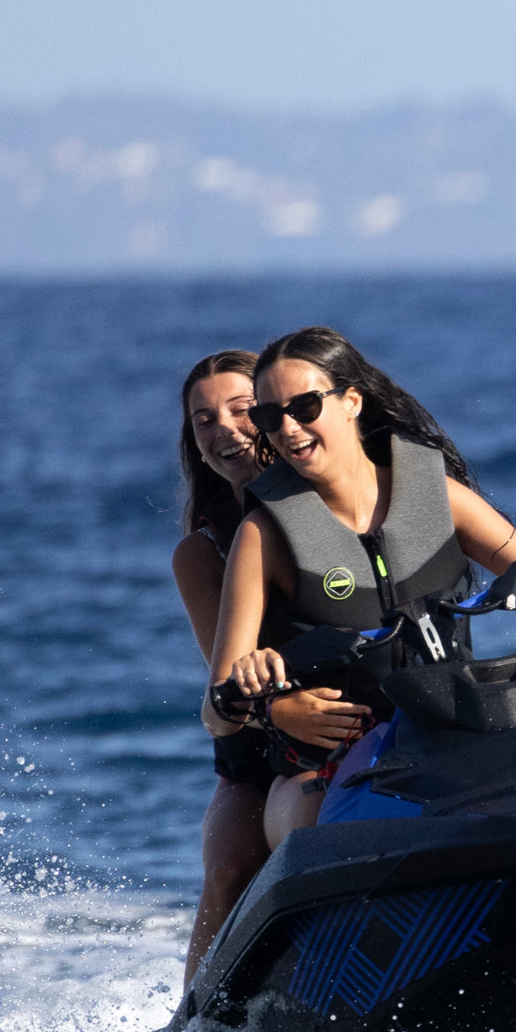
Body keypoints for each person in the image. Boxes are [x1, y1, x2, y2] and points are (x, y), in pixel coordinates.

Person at [202, 327, 516, 851]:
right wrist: (263, 698)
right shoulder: (262, 536)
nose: (287, 428)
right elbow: (216, 716)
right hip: (325, 770)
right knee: (311, 817)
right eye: (269, 416)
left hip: (451, 742)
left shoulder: (439, 497)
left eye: (305, 407)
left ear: (351, 401)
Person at [173, 349, 371, 986]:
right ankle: (195, 1029)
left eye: (240, 410)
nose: (225, 430)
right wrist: (277, 709)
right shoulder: (203, 552)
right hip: (260, 744)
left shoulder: (345, 499)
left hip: (363, 716)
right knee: (231, 867)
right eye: (204, 421)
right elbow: (222, 686)